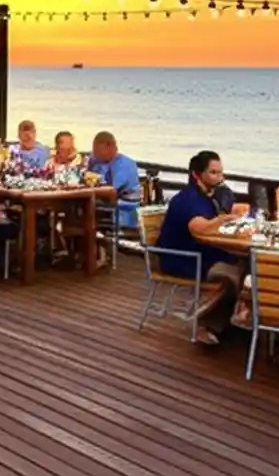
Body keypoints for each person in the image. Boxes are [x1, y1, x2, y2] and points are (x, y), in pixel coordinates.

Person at [154, 150, 243, 345]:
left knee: (248, 266)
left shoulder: (211, 195)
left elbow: (228, 210)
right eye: (213, 173)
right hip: (182, 257)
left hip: (204, 252)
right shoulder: (187, 199)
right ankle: (206, 324)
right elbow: (198, 228)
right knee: (231, 274)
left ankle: (235, 320)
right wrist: (224, 219)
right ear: (197, 174)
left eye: (221, 173)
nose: (220, 177)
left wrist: (236, 211)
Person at [87, 131, 142, 228]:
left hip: (123, 210)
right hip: (106, 205)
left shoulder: (125, 164)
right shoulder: (100, 162)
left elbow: (110, 190)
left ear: (109, 146)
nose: (94, 153)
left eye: (97, 150)